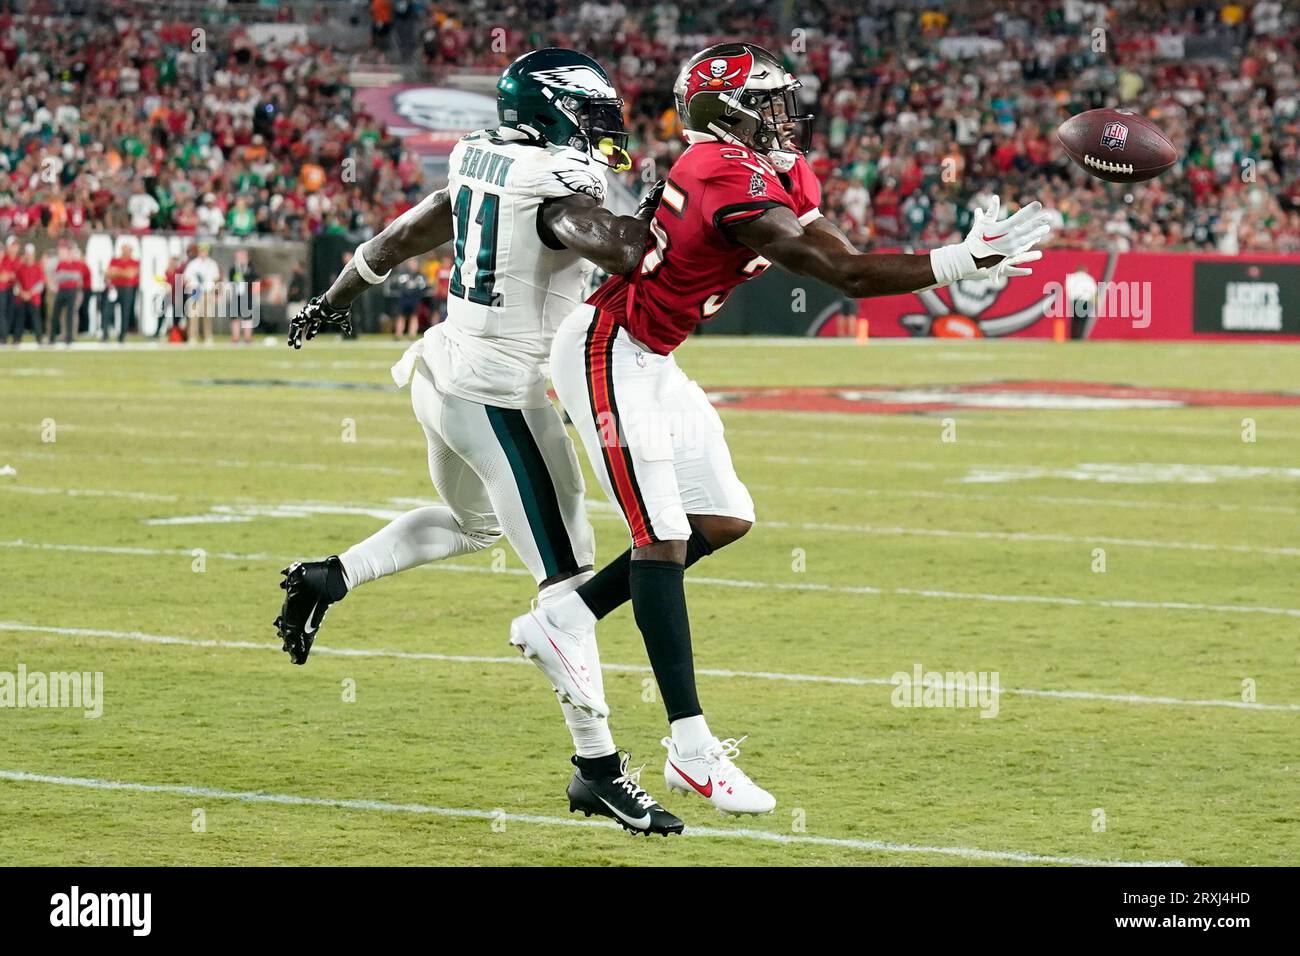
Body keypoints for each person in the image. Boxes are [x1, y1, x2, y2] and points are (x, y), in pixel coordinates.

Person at [528, 42, 1053, 816]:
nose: (786, 114)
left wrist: (954, 255)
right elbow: (834, 273)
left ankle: (569, 613)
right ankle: (692, 750)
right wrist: (958, 260)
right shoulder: (716, 170)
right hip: (608, 347)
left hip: (654, 355)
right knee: (662, 535)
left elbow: (844, 252)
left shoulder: (771, 169)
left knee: (724, 517)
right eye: (768, 101)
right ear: (727, 110)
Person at [275, 50, 682, 835]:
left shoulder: (477, 156)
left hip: (441, 375)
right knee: (566, 590)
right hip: (500, 399)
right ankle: (597, 768)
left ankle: (330, 576)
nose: (602, 133)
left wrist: (330, 301)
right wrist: (667, 216)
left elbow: (399, 237)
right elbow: (621, 249)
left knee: (474, 524)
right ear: (556, 111)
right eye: (592, 116)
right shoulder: (558, 185)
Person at [50, 241, 90, 345]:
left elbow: (78, 276)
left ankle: (69, 337)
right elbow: (57, 277)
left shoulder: (78, 263)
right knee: (55, 314)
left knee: (70, 314)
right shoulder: (61, 263)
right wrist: (69, 276)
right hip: (61, 290)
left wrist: (65, 275)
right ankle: (52, 337)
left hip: (73, 291)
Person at [182, 242, 221, 345]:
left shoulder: (212, 264)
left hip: (208, 291)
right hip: (196, 291)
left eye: (205, 251)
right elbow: (186, 278)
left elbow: (216, 279)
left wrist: (216, 293)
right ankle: (192, 338)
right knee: (193, 316)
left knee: (207, 316)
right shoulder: (193, 264)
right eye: (202, 251)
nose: (203, 253)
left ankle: (208, 337)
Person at [104, 241, 141, 343]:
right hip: (114, 288)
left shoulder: (135, 262)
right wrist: (123, 272)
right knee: (107, 311)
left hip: (127, 289)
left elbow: (131, 274)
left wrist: (117, 272)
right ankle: (105, 335)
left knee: (125, 313)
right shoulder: (115, 260)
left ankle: (122, 337)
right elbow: (108, 272)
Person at [12, 244, 46, 345]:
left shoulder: (38, 267)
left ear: (33, 255)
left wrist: (30, 294)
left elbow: (40, 284)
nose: (29, 256)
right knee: (19, 319)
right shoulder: (20, 268)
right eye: (27, 254)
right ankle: (16, 339)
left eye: (30, 254)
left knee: (36, 319)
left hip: (34, 298)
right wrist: (22, 293)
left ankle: (39, 338)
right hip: (21, 297)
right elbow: (16, 283)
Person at [228, 248, 260, 344]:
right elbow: (230, 281)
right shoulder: (233, 268)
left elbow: (256, 280)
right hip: (236, 294)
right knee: (235, 317)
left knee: (247, 317)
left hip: (247, 294)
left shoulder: (250, 268)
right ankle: (235, 336)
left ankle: (247, 337)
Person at [0, 237, 17, 345]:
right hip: (4, 290)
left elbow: (11, 275)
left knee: (4, 314)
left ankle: (4, 337)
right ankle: (3, 336)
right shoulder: (5, 259)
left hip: (5, 290)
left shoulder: (6, 260)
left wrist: (6, 276)